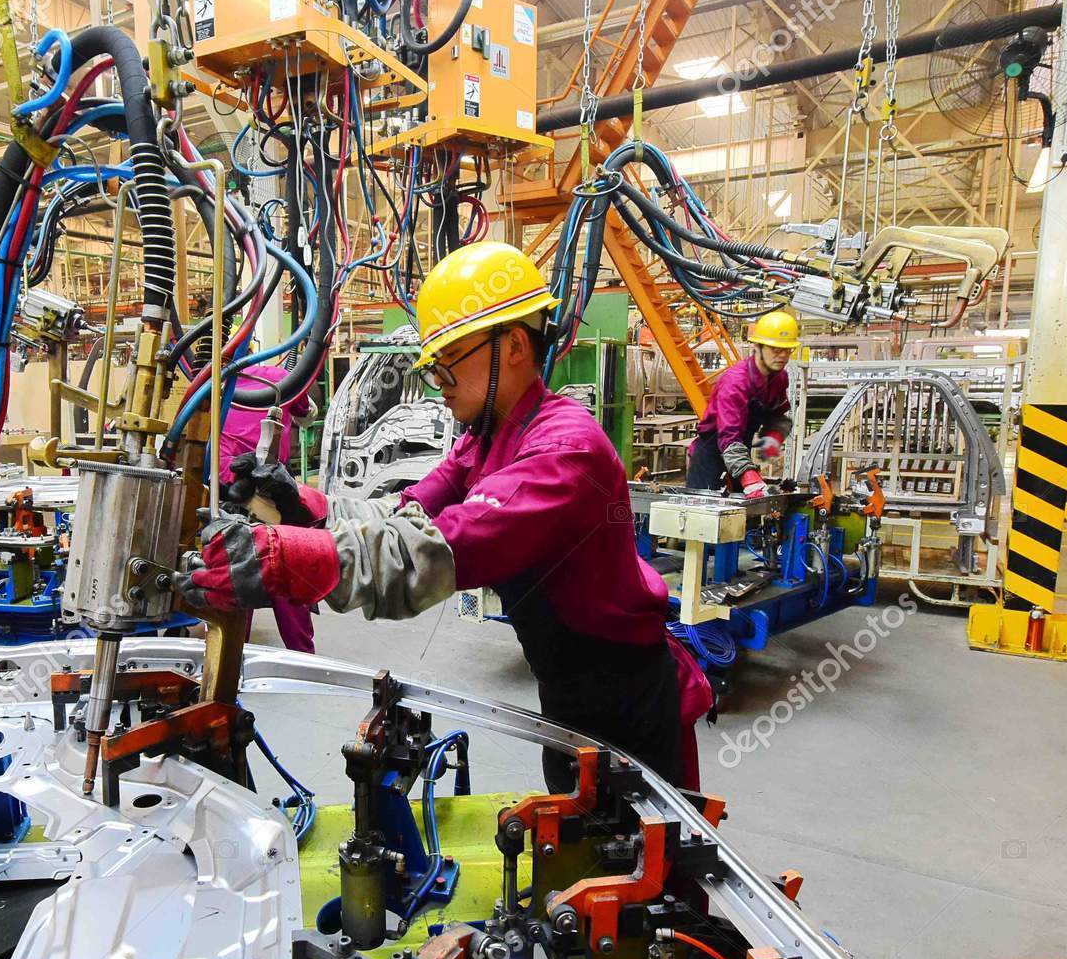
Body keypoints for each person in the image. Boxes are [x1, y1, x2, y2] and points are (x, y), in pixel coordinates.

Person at [178, 242, 711, 792]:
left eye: (448, 362)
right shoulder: (483, 441)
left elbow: (443, 547)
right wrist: (303, 508)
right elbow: (404, 512)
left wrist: (290, 558)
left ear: (517, 346)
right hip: (567, 696)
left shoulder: (564, 451)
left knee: (647, 864)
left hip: (629, 704)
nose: (440, 383)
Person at [217, 360, 316, 652]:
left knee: (238, 577)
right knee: (287, 573)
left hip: (226, 488)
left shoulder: (210, 384)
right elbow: (306, 414)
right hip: (272, 485)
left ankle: (230, 661)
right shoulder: (282, 379)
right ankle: (303, 658)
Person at [686, 310, 799, 498]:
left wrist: (773, 434)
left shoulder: (779, 378)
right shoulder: (735, 383)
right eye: (776, 350)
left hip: (739, 453)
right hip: (710, 457)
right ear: (758, 347)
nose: (782, 356)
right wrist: (749, 478)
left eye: (787, 350)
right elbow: (728, 437)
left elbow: (778, 415)